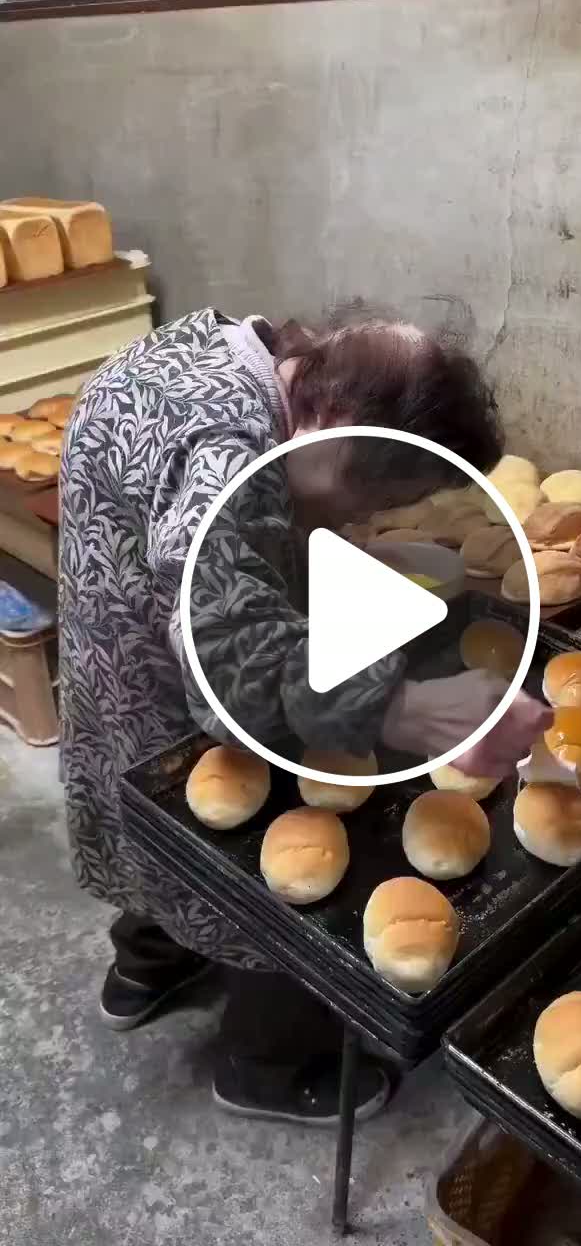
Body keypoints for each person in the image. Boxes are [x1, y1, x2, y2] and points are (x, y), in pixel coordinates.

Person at [59, 309, 550, 1125]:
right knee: (259, 865)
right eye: (375, 493)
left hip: (111, 658)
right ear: (336, 421)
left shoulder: (242, 352)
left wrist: (308, 537)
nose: (364, 516)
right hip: (167, 688)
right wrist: (405, 707)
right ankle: (266, 1065)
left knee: (146, 828)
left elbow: (211, 540)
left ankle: (145, 970)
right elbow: (228, 659)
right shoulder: (226, 451)